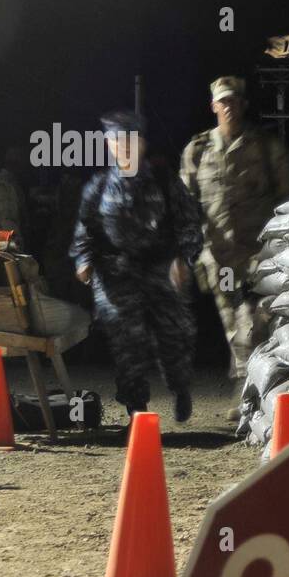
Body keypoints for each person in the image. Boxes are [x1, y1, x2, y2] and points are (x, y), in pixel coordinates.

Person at [180, 76, 289, 420]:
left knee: (251, 323)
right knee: (234, 326)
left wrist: (286, 249)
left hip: (258, 255)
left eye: (235, 100)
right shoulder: (198, 151)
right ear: (214, 106)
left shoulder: (266, 148)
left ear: (243, 105)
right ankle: (254, 394)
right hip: (218, 259)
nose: (229, 107)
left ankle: (250, 398)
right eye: (224, 101)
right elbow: (184, 205)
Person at [71, 110, 203, 422]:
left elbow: (189, 223)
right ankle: (136, 407)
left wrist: (184, 259)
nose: (124, 147)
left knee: (176, 336)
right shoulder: (99, 186)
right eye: (117, 141)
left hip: (161, 267)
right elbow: (84, 230)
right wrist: (85, 260)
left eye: (130, 141)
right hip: (117, 273)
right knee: (127, 341)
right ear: (109, 145)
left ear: (141, 144)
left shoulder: (164, 180)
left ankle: (180, 386)